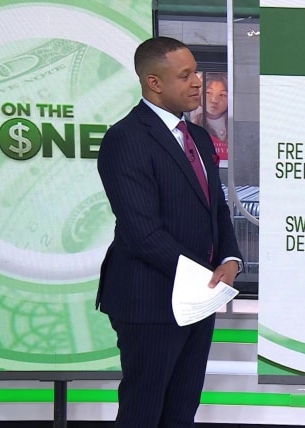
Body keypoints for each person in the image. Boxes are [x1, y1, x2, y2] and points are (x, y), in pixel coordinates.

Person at [96, 36, 243, 427]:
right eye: (185, 75)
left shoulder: (198, 137)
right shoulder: (126, 139)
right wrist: (205, 277)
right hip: (150, 300)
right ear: (154, 82)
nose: (197, 82)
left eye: (196, 72)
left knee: (181, 410)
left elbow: (216, 207)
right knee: (143, 412)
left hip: (199, 299)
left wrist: (230, 258)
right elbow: (142, 233)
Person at [190, 73, 229, 161]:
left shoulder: (233, 124)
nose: (214, 100)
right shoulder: (192, 121)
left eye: (222, 94)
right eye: (208, 93)